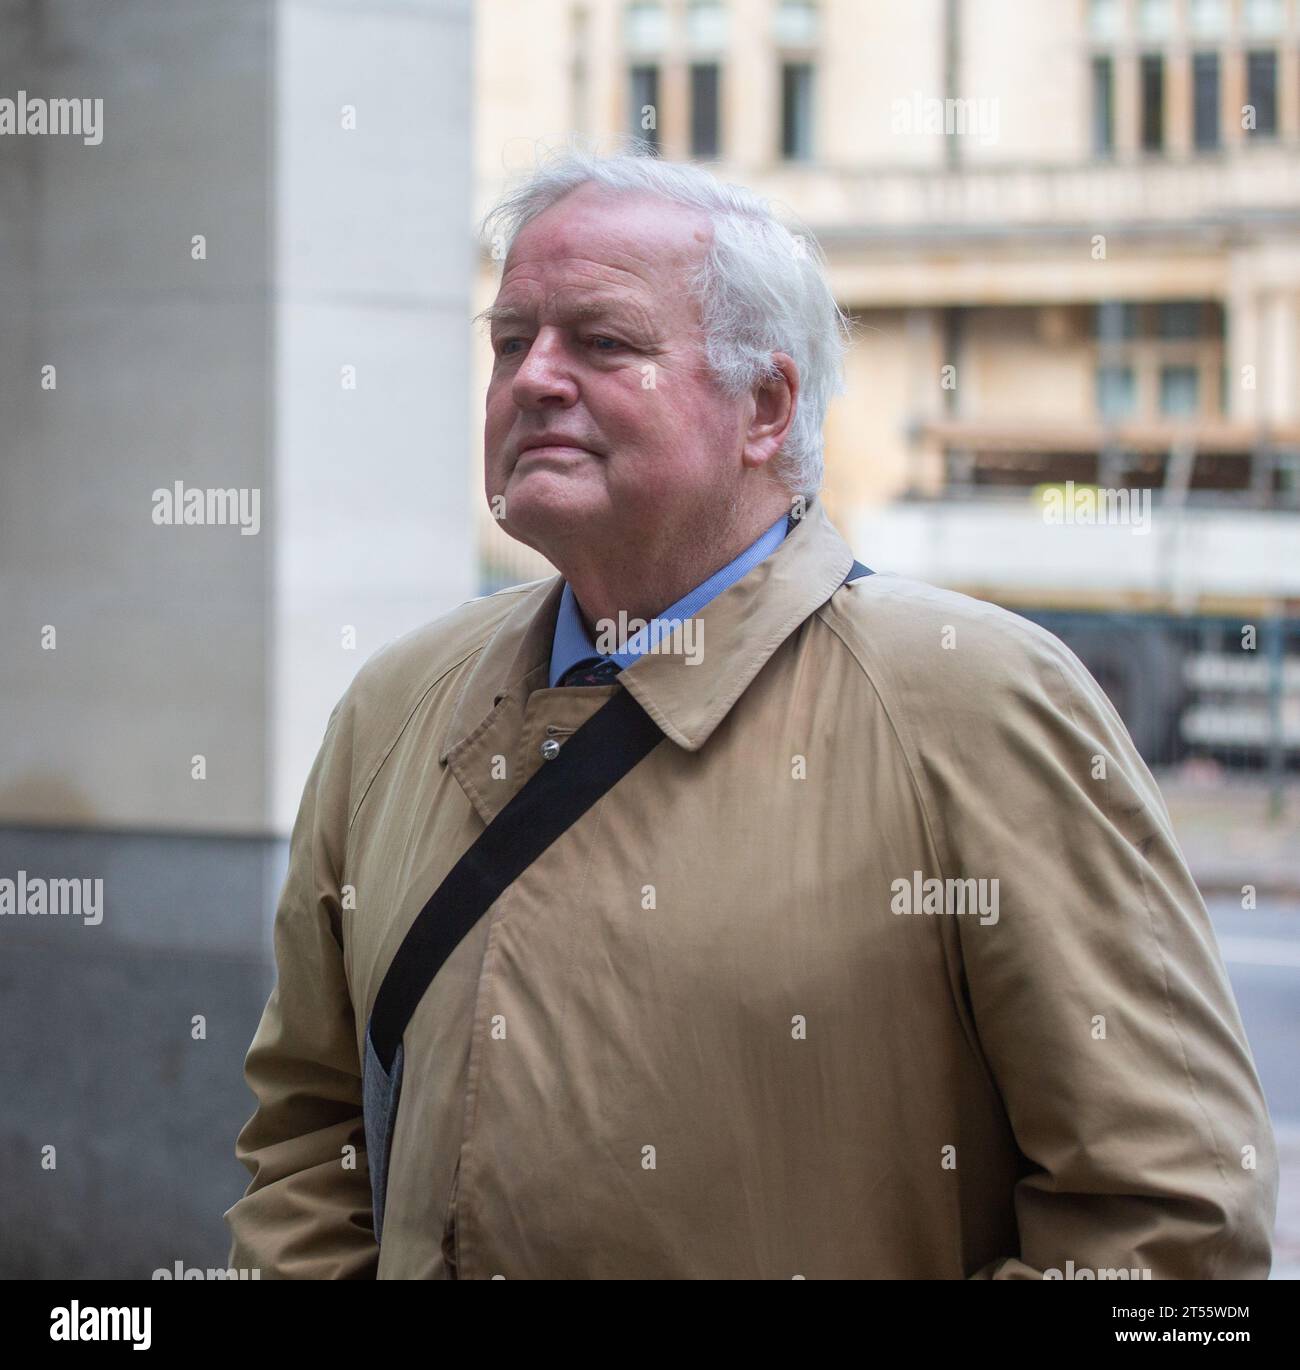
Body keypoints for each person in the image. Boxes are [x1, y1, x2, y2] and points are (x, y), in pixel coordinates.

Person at [225, 146, 1277, 1279]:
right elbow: (303, 1141)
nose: (532, 377)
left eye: (602, 341)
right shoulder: (395, 706)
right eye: (510, 339)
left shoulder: (980, 702)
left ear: (764, 405)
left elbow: (1171, 1220)